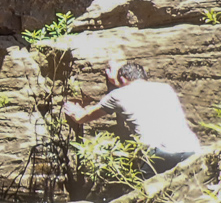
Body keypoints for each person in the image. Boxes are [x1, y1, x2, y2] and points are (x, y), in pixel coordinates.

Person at [62, 58, 202, 176]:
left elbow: (84, 117)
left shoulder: (117, 95)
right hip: (191, 149)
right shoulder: (165, 88)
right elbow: (139, 95)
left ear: (122, 79)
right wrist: (120, 82)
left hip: (160, 154)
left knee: (146, 199)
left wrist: (75, 112)